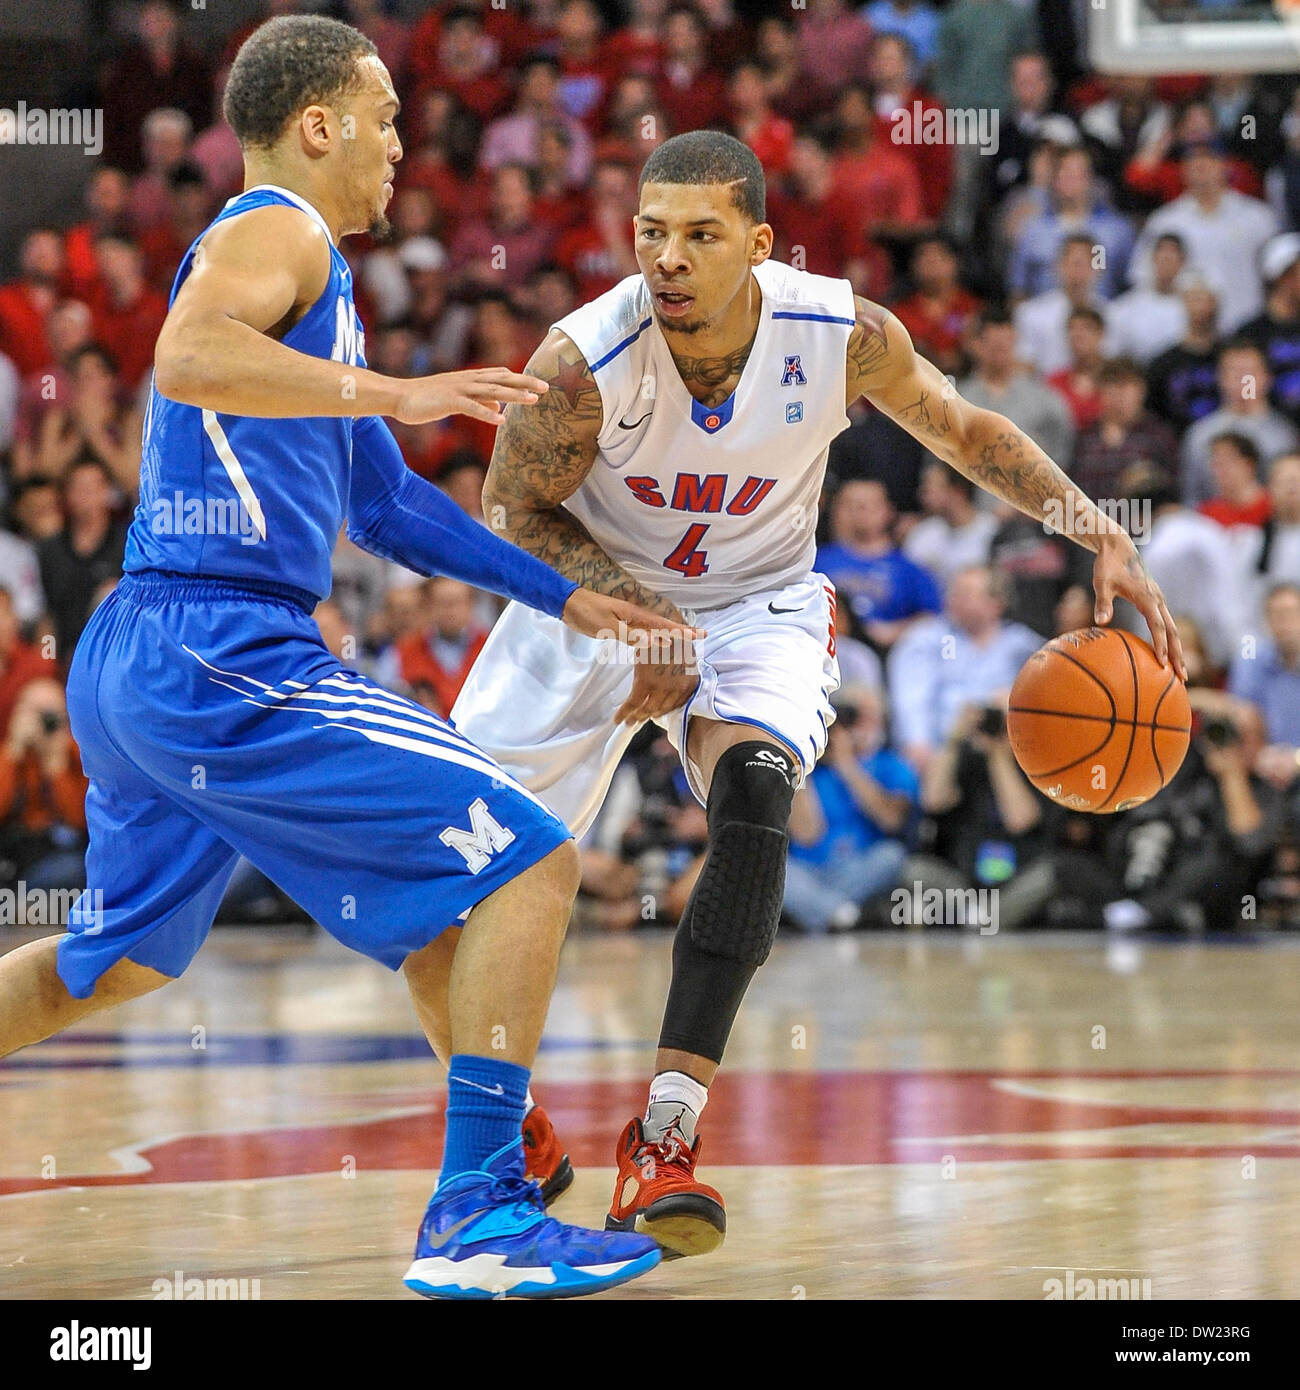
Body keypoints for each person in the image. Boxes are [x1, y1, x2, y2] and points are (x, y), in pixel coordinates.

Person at [0, 14, 693, 1301]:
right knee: (530, 857)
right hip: (220, 647)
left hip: (143, 657)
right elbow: (186, 356)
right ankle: (478, 1213)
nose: (396, 147)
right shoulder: (281, 227)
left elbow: (384, 507)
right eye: (381, 120)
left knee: (117, 958)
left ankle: (505, 1150)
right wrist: (407, 394)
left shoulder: (317, 292)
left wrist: (560, 597)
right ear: (317, 124)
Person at [451, 129, 1182, 1258]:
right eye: (650, 234)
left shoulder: (837, 333)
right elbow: (510, 512)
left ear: (757, 242)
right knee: (454, 881)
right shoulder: (581, 359)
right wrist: (630, 614)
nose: (669, 259)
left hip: (757, 602)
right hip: (587, 601)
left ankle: (663, 1140)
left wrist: (1095, 528)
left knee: (756, 793)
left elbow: (965, 429)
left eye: (699, 235)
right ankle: (516, 1131)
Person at [783, 685, 917, 932]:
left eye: (868, 716)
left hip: (861, 866)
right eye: (853, 716)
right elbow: (806, 834)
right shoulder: (809, 769)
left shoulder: (892, 765)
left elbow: (890, 819)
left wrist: (847, 764)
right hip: (810, 869)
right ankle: (839, 912)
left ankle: (825, 912)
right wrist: (806, 757)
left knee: (892, 855)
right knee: (778, 870)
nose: (859, 725)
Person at [816, 478, 940, 651]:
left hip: (887, 653)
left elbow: (934, 617)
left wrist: (895, 631)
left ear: (888, 511)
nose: (861, 512)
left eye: (870, 505)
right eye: (852, 505)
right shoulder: (819, 560)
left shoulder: (907, 568)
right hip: (827, 648)